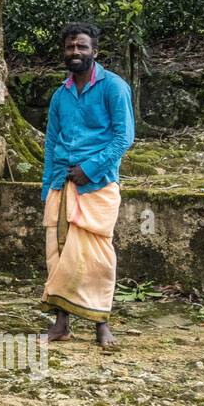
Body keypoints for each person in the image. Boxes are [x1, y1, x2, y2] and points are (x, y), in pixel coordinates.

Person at [40, 22, 135, 348]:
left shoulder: (114, 88)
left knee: (97, 257)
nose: (75, 53)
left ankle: (101, 324)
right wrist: (47, 188)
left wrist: (90, 169)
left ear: (94, 51)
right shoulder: (60, 95)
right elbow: (52, 141)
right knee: (60, 254)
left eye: (82, 47)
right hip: (61, 185)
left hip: (98, 186)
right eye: (70, 47)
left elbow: (124, 137)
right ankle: (61, 324)